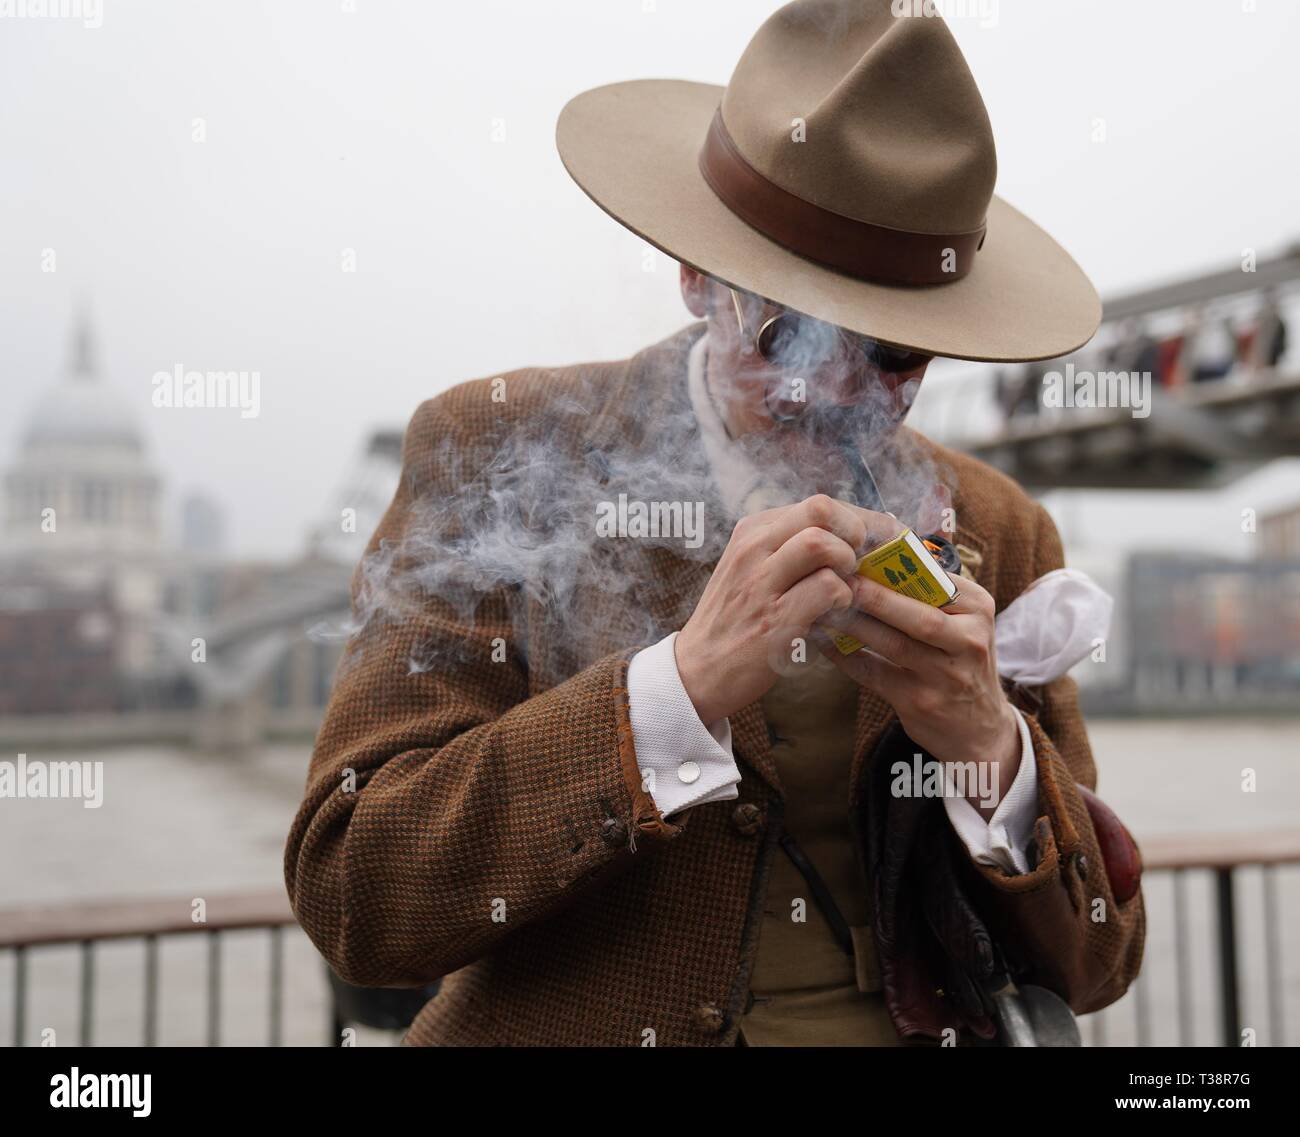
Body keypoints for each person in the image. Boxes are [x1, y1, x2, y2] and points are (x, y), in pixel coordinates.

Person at [285, 0, 1144, 1047]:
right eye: (787, 331)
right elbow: (355, 896)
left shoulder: (1000, 528)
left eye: (891, 354)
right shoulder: (495, 449)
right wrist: (671, 695)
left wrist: (986, 750)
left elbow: (1099, 960)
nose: (830, 390)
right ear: (696, 277)